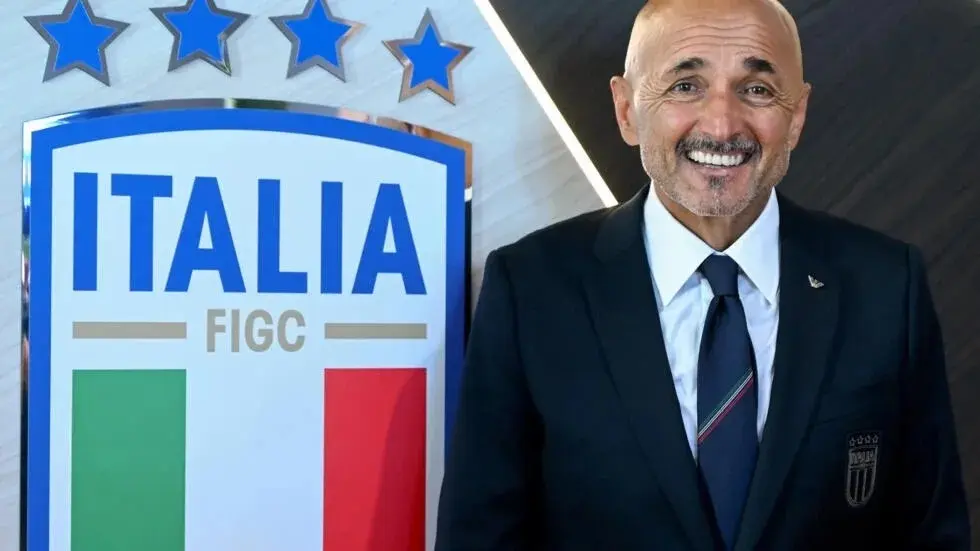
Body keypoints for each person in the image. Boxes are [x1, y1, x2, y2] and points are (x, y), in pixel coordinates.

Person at [434, 0, 971, 549]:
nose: (721, 124)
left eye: (756, 89)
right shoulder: (532, 289)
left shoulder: (886, 286)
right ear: (626, 109)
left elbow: (932, 534)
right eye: (686, 86)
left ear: (797, 115)